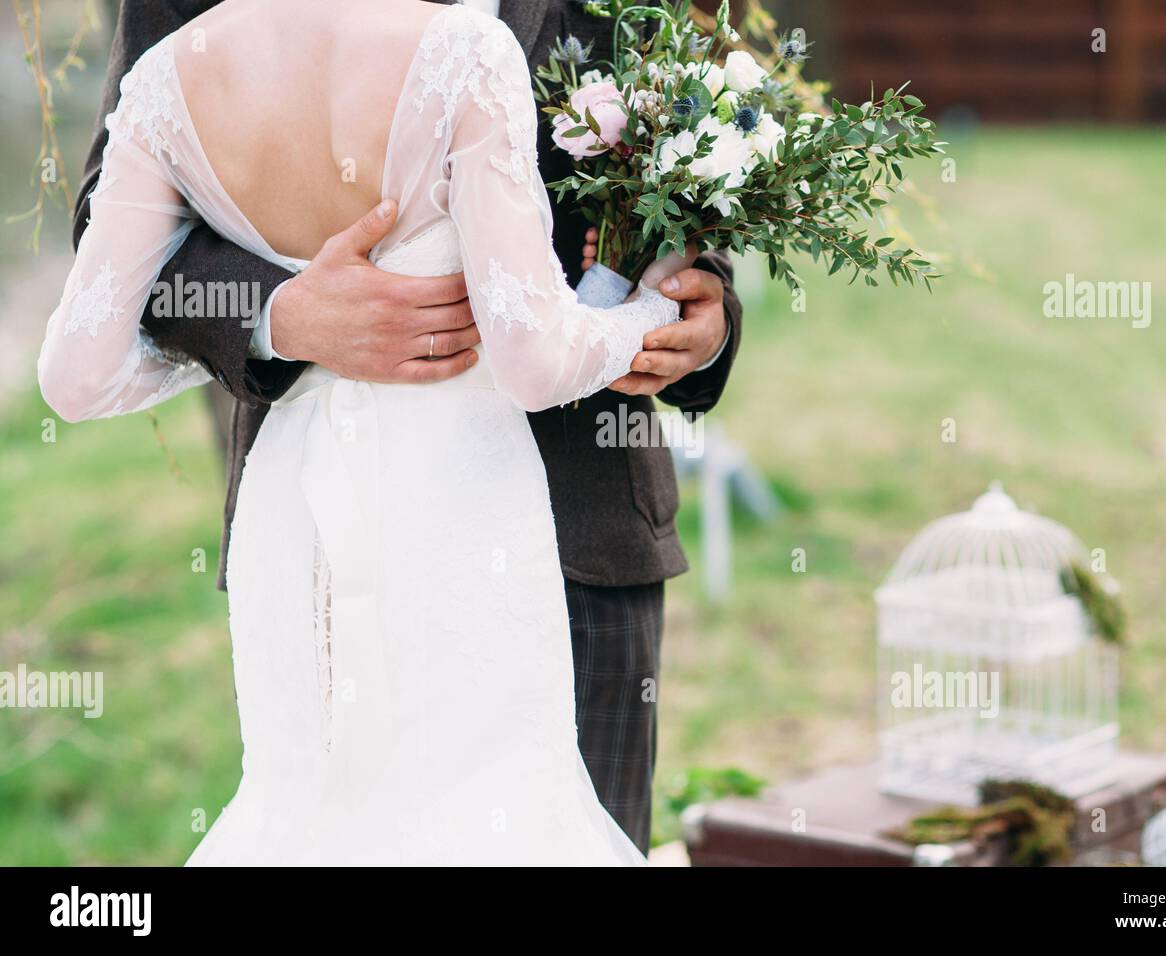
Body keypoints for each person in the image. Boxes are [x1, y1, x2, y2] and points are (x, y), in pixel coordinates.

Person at [38, 0, 742, 864]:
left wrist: (697, 317)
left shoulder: (169, 82)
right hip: (366, 534)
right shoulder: (468, 52)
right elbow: (113, 242)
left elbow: (688, 160)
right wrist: (276, 320)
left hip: (576, 529)